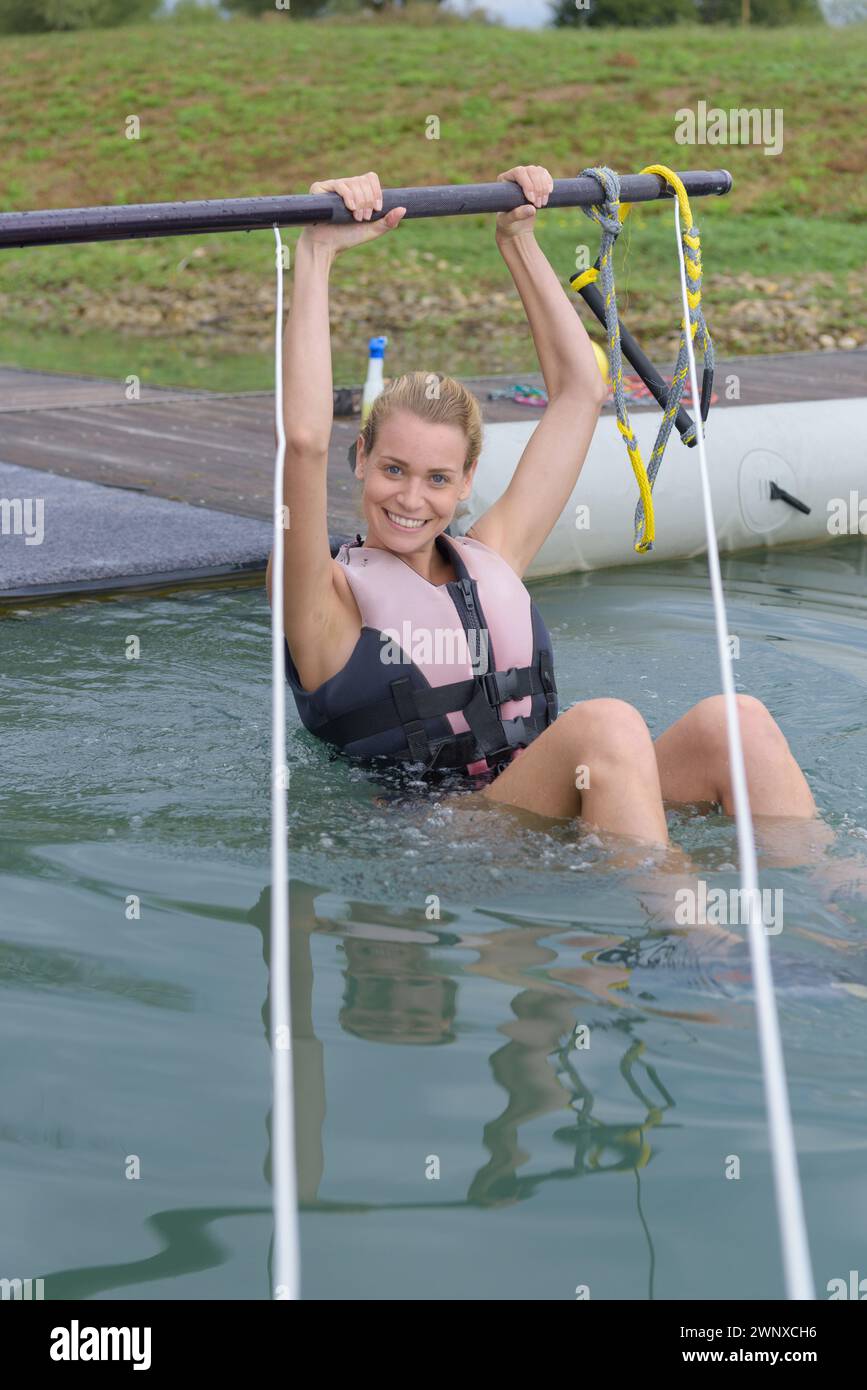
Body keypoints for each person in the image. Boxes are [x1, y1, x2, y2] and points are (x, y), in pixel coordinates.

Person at [266, 166, 821, 862]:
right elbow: (304, 442)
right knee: (606, 725)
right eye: (392, 470)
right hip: (444, 840)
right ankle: (695, 946)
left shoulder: (490, 554)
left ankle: (833, 929)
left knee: (736, 724)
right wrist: (315, 255)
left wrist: (518, 237)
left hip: (551, 802)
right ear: (360, 460)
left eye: (437, 478)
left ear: (467, 479)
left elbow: (578, 391)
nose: (410, 499)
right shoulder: (319, 597)